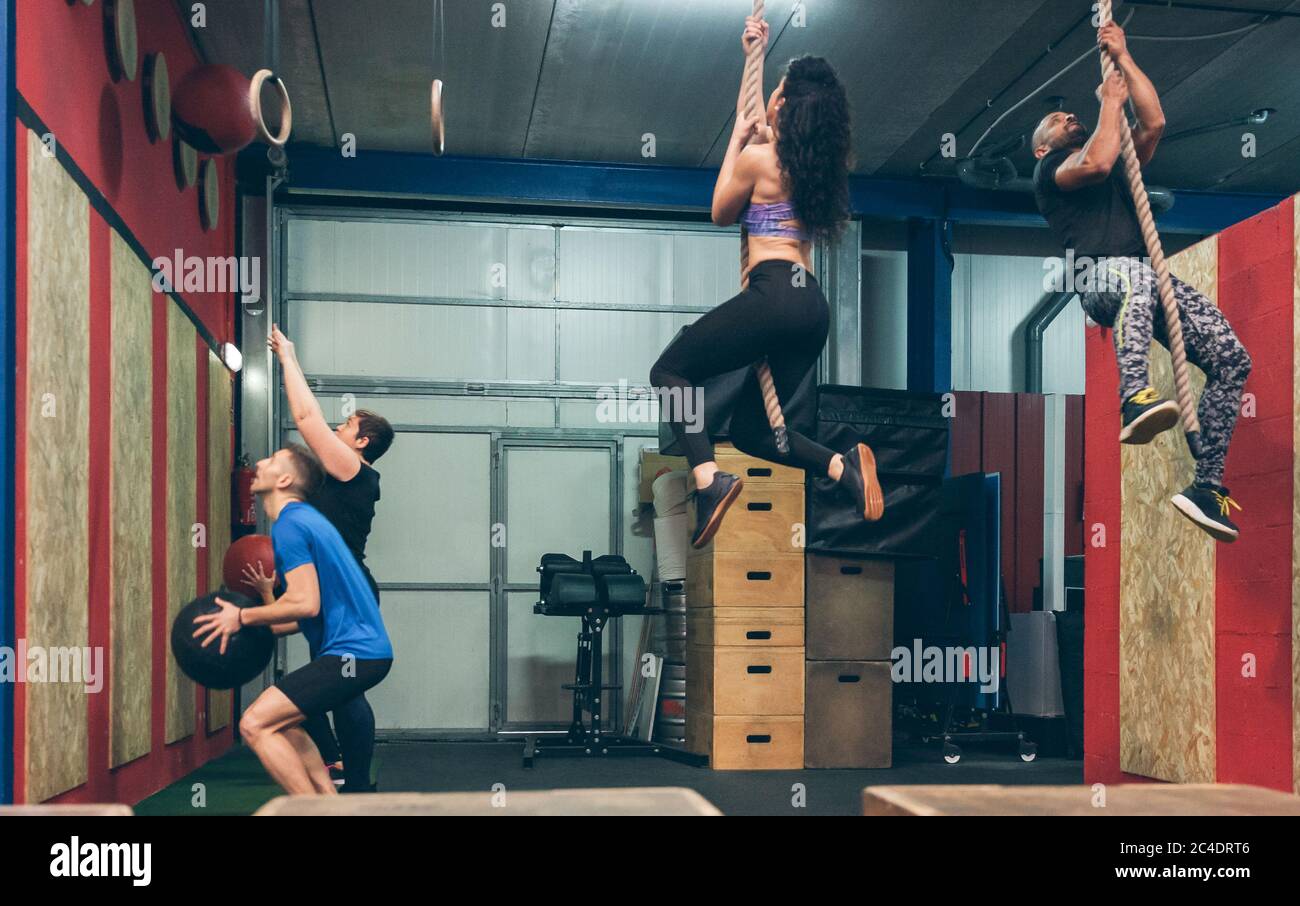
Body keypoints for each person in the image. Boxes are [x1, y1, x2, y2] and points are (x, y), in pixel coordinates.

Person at [650, 16, 881, 549]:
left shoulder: (760, 159)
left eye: (778, 89)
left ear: (784, 106)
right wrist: (752, 58)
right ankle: (841, 468)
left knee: (669, 370)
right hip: (810, 307)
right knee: (757, 432)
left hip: (774, 293)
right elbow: (753, 114)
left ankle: (707, 478)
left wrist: (736, 137)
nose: (770, 95)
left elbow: (719, 210)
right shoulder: (820, 170)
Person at [1031, 20, 1250, 543]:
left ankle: (1206, 487)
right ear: (1042, 149)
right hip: (1100, 279)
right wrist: (1109, 100)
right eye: (1057, 120)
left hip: (1146, 279)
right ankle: (1135, 397)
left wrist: (1124, 59)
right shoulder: (1052, 175)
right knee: (1134, 275)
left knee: (1231, 357)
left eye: (1069, 113)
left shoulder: (1117, 165)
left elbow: (1154, 123)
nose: (1068, 117)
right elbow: (1102, 159)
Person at [194, 444, 393, 796]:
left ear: (284, 479)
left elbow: (304, 603)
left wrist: (240, 616)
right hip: (362, 653)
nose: (258, 462)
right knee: (284, 723)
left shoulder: (291, 525)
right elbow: (293, 619)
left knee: (254, 723)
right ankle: (331, 804)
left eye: (270, 461)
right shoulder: (306, 521)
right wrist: (263, 610)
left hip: (354, 654)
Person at [245, 325, 394, 792]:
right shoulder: (339, 476)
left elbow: (307, 419)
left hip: (346, 592)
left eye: (347, 427)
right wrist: (273, 595)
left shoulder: (355, 470)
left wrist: (288, 357)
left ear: (363, 442)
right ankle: (335, 774)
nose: (336, 428)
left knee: (344, 688)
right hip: (328, 586)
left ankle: (356, 784)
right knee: (323, 689)